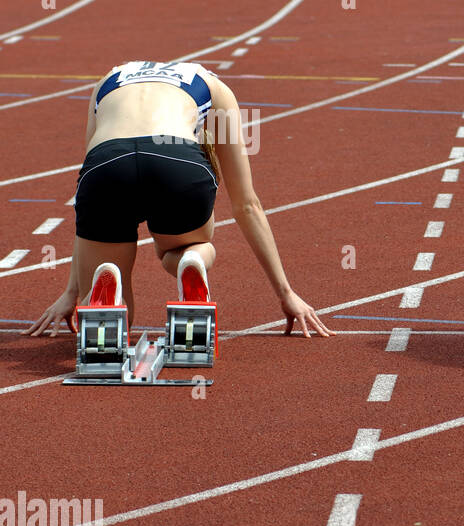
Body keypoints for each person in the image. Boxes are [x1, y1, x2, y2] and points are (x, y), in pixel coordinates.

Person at [25, 60, 332, 338]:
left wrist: (71, 292)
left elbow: (87, 195)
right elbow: (246, 204)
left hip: (108, 164)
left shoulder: (108, 79)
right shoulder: (213, 88)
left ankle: (108, 289)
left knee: (115, 319)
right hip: (177, 162)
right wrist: (285, 292)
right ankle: (192, 258)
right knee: (189, 244)